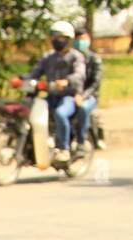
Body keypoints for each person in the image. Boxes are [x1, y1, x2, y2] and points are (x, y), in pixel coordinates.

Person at [26, 20, 86, 164]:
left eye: (60, 37)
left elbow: (80, 75)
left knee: (60, 113)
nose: (56, 40)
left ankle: (63, 148)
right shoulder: (48, 57)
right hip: (50, 95)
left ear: (68, 39)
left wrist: (67, 81)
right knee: (31, 111)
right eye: (53, 37)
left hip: (68, 97)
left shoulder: (76, 56)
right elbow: (35, 72)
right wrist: (23, 79)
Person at [73, 26, 102, 153]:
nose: (80, 41)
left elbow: (95, 83)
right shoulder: (70, 58)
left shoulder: (94, 59)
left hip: (90, 95)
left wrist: (83, 96)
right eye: (77, 39)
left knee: (83, 108)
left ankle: (81, 141)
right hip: (73, 94)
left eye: (82, 38)